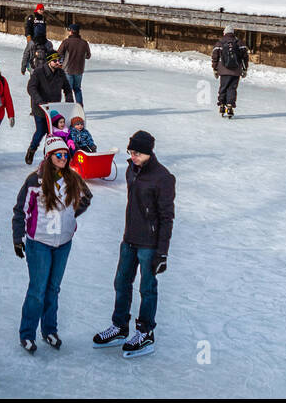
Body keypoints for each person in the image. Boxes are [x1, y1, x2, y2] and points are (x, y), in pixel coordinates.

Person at [92, 130, 175, 358]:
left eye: (136, 152)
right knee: (121, 282)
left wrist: (163, 253)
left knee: (147, 289)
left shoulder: (163, 178)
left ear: (148, 152)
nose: (132, 155)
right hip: (129, 239)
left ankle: (146, 332)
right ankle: (119, 326)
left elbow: (167, 218)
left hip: (149, 244)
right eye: (130, 151)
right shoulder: (132, 169)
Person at [12, 135, 93, 353]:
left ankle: (49, 330)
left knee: (53, 289)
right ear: (49, 157)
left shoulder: (73, 177)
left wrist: (70, 217)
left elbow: (87, 197)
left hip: (64, 243)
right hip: (39, 243)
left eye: (66, 155)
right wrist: (18, 238)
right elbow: (20, 210)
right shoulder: (35, 181)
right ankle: (27, 333)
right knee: (37, 290)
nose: (64, 158)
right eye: (59, 155)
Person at [25, 50, 74, 165]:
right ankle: (32, 150)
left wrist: (69, 100)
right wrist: (39, 101)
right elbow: (31, 88)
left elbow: (67, 88)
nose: (58, 63)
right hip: (40, 109)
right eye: (55, 61)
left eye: (59, 60)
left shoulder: (60, 73)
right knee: (41, 131)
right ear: (49, 61)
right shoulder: (38, 72)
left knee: (52, 133)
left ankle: (48, 156)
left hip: (54, 109)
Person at [211, 26, 249, 119]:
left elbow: (215, 56)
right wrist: (245, 69)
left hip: (223, 70)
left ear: (224, 33)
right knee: (232, 88)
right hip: (236, 70)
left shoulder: (220, 43)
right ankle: (230, 106)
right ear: (233, 33)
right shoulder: (239, 43)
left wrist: (215, 68)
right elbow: (245, 57)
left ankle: (222, 106)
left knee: (223, 87)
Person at [58, 23, 91, 105]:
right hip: (79, 70)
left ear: (71, 32)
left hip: (68, 69)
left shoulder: (66, 42)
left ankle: (70, 108)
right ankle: (80, 108)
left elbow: (58, 54)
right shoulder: (84, 43)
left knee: (68, 90)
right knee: (77, 89)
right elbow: (88, 56)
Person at [21, 4, 47, 75]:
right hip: (33, 39)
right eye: (40, 9)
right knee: (29, 53)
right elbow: (28, 27)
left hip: (42, 40)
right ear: (37, 9)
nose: (42, 11)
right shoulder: (31, 17)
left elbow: (44, 30)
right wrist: (28, 36)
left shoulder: (43, 18)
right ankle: (29, 65)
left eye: (42, 10)